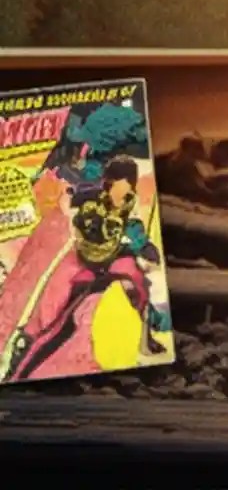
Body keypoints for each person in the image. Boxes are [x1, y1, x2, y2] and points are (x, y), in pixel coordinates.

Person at [3, 156, 170, 382]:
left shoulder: (130, 207)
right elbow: (73, 201)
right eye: (113, 186)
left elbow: (134, 231)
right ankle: (26, 349)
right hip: (86, 258)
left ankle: (148, 337)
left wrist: (144, 247)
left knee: (139, 286)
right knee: (58, 308)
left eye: (124, 188)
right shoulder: (92, 197)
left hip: (113, 258)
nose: (117, 193)